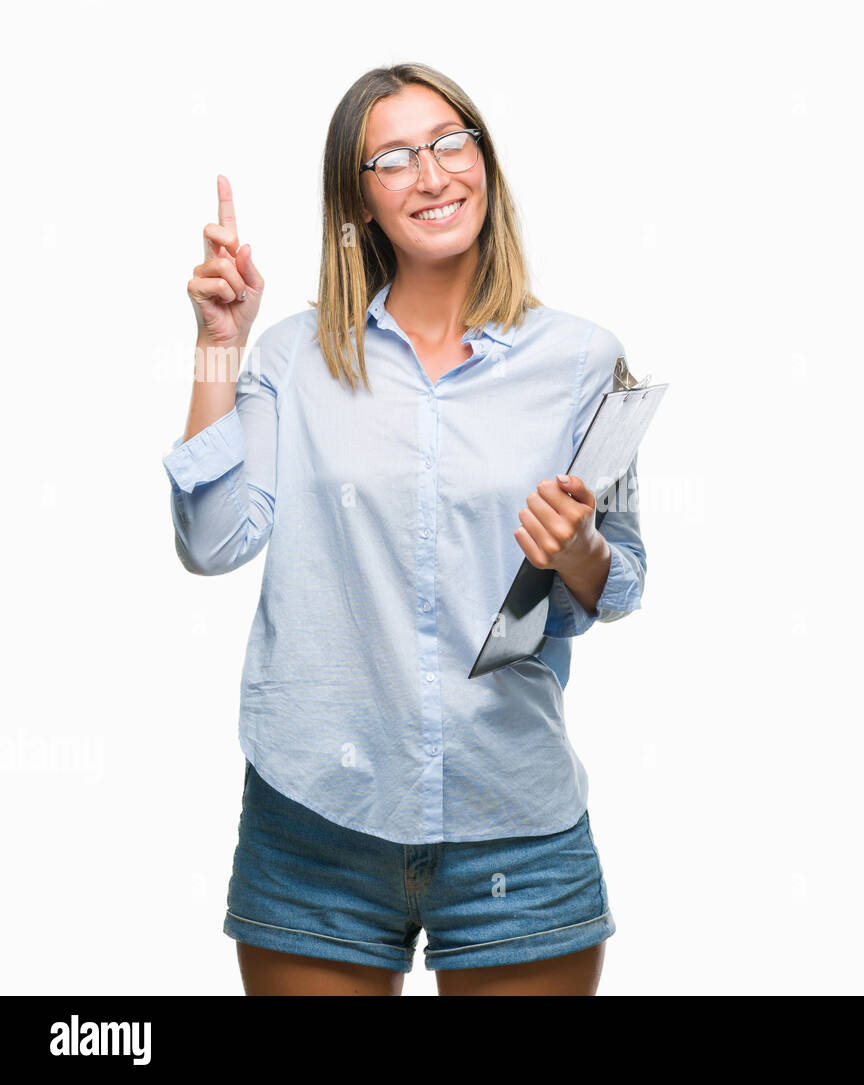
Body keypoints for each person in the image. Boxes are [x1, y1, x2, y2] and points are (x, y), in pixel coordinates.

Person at [163, 63, 647, 995]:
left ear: (485, 163)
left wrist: (574, 546)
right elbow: (212, 539)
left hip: (514, 817)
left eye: (449, 142)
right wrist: (219, 339)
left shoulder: (584, 360)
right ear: (359, 204)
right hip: (315, 822)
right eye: (393, 157)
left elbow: (618, 580)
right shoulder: (293, 359)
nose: (431, 175)